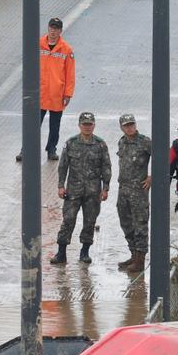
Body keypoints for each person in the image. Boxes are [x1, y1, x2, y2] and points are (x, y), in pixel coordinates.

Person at [52, 112, 112, 266]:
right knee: (68, 220)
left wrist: (105, 188)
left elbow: (106, 167)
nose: (87, 127)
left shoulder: (100, 144)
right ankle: (61, 253)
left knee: (90, 222)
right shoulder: (71, 143)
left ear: (94, 125)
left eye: (90, 124)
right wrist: (60, 186)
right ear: (79, 125)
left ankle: (84, 252)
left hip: (93, 192)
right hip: (73, 191)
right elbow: (63, 166)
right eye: (84, 124)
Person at [19, 19, 75, 164]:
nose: (53, 31)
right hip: (40, 93)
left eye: (56, 29)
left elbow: (70, 74)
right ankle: (25, 149)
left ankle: (51, 149)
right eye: (52, 28)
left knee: (54, 126)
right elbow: (29, 66)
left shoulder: (66, 50)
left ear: (60, 31)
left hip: (57, 94)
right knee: (33, 125)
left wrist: (68, 94)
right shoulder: (37, 44)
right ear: (48, 28)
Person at [115, 114, 153, 274]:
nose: (130, 127)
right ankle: (133, 254)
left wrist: (152, 176)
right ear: (121, 127)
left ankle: (140, 260)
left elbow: (161, 157)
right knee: (126, 223)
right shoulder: (122, 141)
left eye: (132, 124)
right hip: (123, 190)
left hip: (139, 191)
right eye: (126, 125)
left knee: (140, 225)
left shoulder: (145, 141)